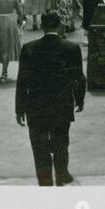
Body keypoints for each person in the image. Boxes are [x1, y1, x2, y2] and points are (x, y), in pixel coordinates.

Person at [16, 12, 86, 186]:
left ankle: (45, 179)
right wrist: (79, 99)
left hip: (36, 105)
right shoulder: (71, 48)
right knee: (61, 141)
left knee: (39, 145)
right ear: (60, 25)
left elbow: (22, 81)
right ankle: (62, 174)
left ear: (42, 25)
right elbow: (79, 78)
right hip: (62, 103)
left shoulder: (29, 48)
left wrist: (20, 108)